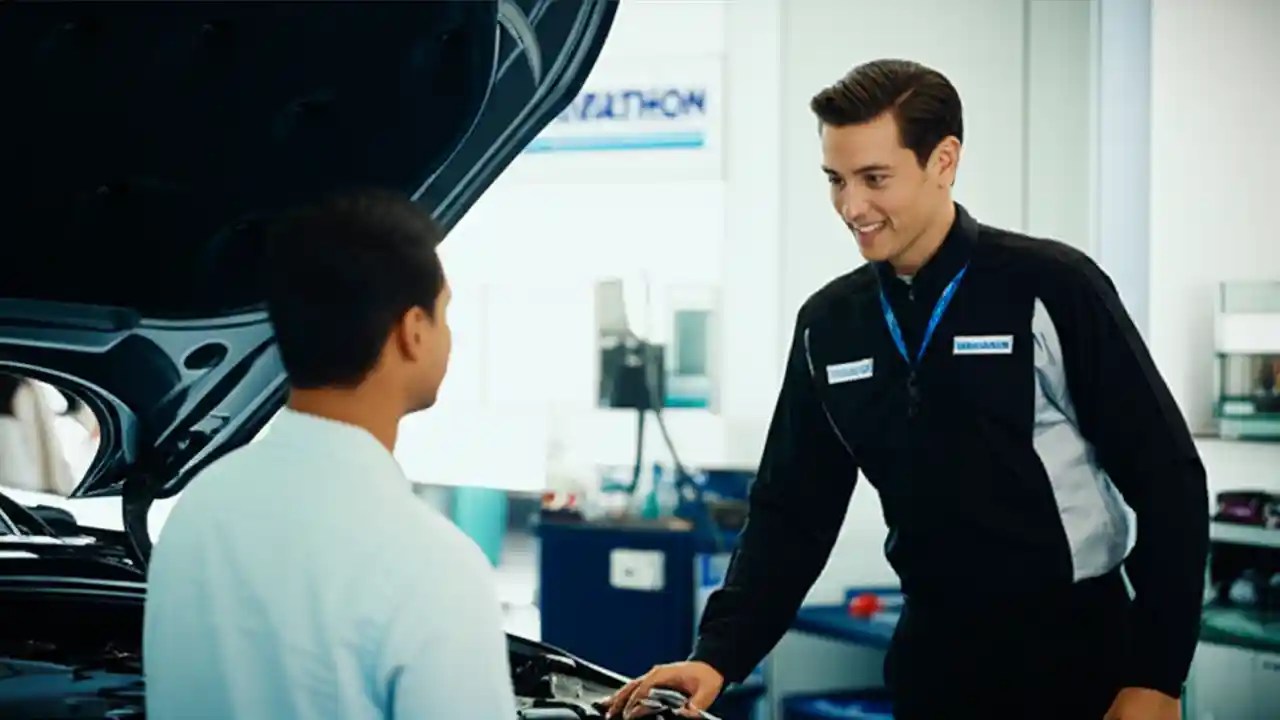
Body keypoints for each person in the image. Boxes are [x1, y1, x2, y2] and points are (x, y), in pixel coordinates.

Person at [606, 59, 1208, 720]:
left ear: (943, 161)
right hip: (934, 664)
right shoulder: (830, 326)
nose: (851, 206)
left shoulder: (1050, 287)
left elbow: (1168, 479)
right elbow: (790, 515)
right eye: (836, 180)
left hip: (1077, 658)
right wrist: (717, 654)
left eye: (874, 179)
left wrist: (1157, 674)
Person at [143, 190, 517, 719]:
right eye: (444, 313)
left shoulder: (197, 513)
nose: (448, 336)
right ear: (412, 332)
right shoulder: (434, 568)